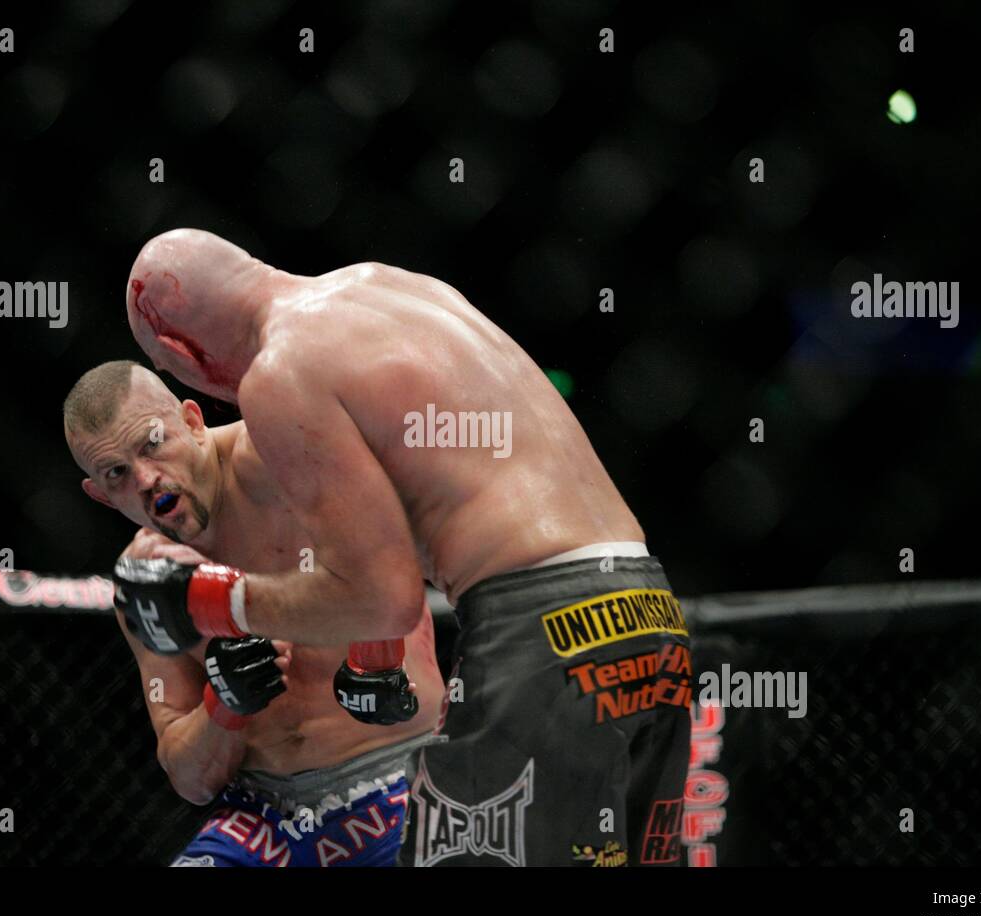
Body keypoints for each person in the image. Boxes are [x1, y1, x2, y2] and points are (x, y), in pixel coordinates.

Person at [114, 229, 693, 866]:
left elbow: (380, 598)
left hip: (540, 633)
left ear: (178, 348)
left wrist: (205, 602)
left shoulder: (279, 372)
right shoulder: (390, 284)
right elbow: (407, 515)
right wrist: (373, 660)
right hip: (646, 608)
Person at [64, 360, 444, 866]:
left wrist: (377, 654)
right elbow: (190, 777)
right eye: (117, 474)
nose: (147, 479)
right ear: (101, 496)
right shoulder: (146, 586)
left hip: (406, 776)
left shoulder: (287, 453)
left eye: (153, 444)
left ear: (193, 421)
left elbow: (435, 533)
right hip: (264, 817)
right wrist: (225, 703)